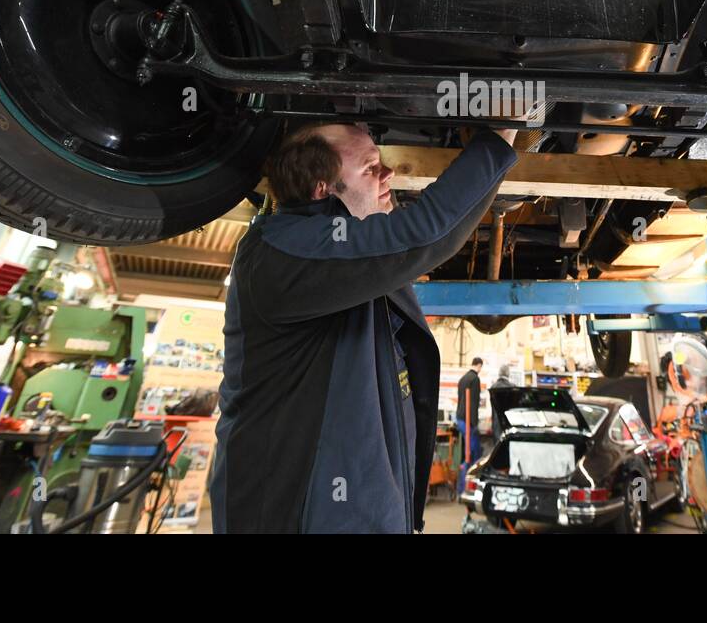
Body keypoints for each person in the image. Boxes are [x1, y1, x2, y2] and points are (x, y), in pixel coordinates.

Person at [210, 124, 518, 533]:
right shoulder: (280, 252)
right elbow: (426, 235)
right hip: (296, 515)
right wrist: (502, 131)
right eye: (372, 168)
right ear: (323, 189)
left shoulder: (336, 264)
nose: (388, 175)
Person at [455, 358, 483, 485]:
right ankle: (467, 485)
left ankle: (463, 486)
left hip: (459, 418)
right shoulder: (475, 379)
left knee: (467, 452)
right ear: (479, 365)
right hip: (467, 421)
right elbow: (474, 403)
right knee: (473, 453)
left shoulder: (463, 378)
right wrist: (475, 424)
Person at [490, 363, 515, 442]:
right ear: (508, 373)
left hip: (496, 424)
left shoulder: (493, 387)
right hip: (509, 423)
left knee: (498, 447)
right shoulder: (513, 387)